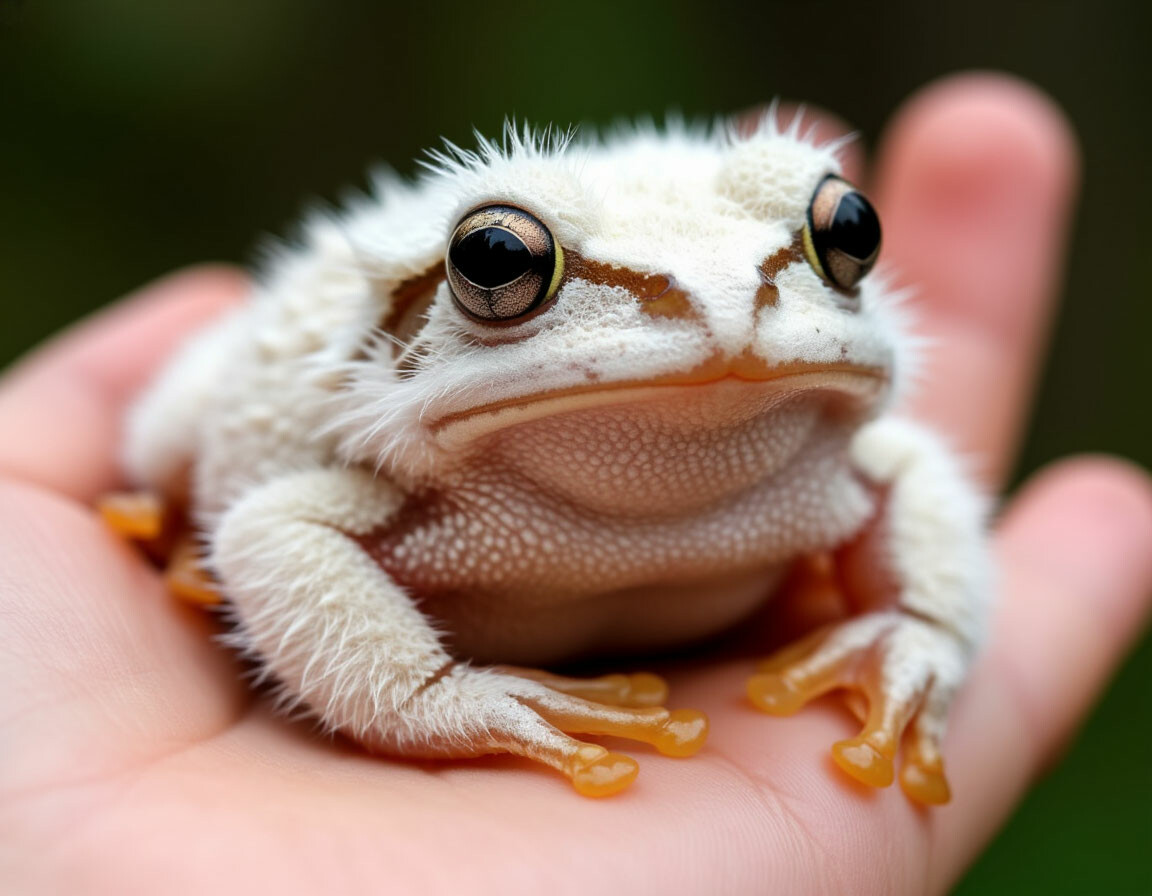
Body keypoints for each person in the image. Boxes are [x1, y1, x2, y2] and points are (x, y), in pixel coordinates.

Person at [1, 73, 1149, 894]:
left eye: (836, 241)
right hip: (359, 417)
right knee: (165, 431)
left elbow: (908, 468)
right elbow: (273, 526)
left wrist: (925, 623)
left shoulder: (825, 438)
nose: (719, 317)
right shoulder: (396, 437)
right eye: (508, 266)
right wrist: (419, 695)